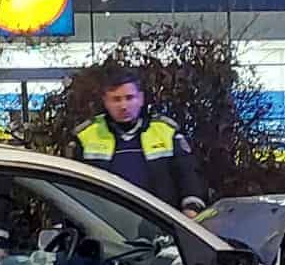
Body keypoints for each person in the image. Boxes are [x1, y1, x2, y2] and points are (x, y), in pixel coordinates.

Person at [68, 69, 207, 217]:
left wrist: (191, 209)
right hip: (104, 226)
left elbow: (189, 175)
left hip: (160, 223)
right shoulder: (86, 135)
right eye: (116, 99)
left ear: (141, 98)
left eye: (129, 98)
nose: (123, 106)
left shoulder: (165, 131)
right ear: (105, 101)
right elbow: (70, 187)